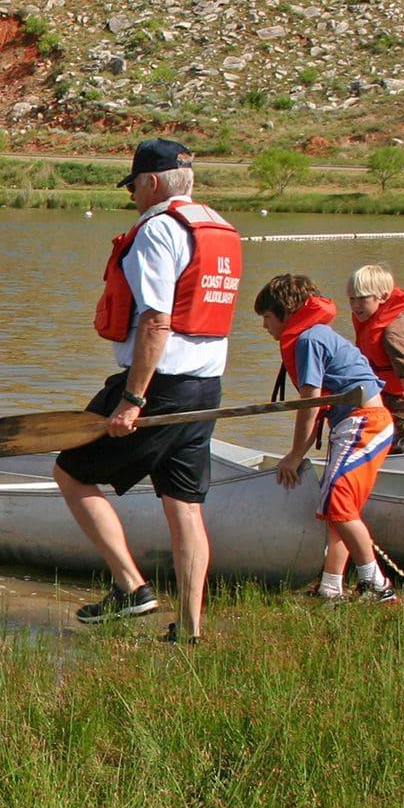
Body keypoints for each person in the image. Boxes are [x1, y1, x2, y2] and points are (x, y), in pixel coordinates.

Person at [53, 138, 243, 643]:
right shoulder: (220, 228)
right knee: (184, 506)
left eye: (134, 184)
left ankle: (131, 588)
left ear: (153, 182)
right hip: (206, 387)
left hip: (158, 384)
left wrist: (132, 398)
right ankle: (192, 629)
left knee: (70, 472)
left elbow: (157, 322)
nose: (133, 194)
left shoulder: (159, 230)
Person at [255, 274, 396, 602]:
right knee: (338, 512)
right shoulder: (312, 336)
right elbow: (317, 407)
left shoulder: (308, 340)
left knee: (338, 504)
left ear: (286, 312)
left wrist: (294, 455)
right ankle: (331, 588)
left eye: (266, 317)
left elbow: (310, 404)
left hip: (365, 423)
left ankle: (376, 584)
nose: (264, 326)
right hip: (357, 424)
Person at [347, 264, 404, 454]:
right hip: (390, 394)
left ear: (382, 297)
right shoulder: (368, 321)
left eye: (363, 298)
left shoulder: (391, 335)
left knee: (384, 442)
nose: (356, 304)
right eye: (352, 298)